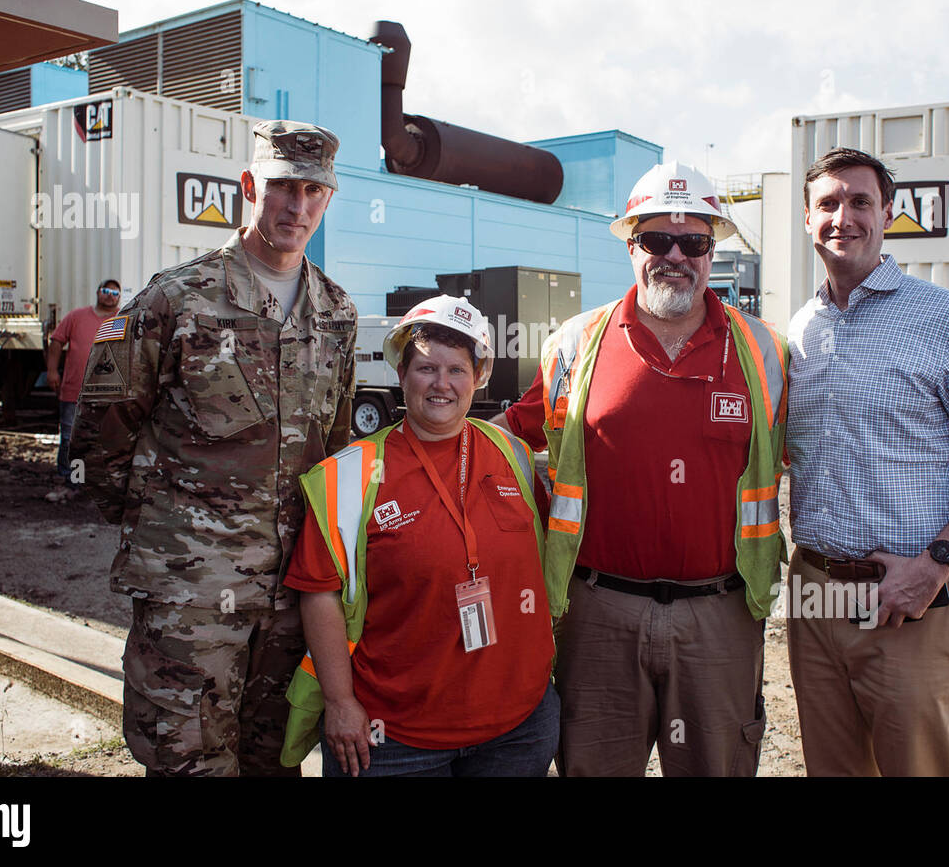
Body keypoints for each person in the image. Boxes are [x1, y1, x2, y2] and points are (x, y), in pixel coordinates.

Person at [70, 120, 357, 776]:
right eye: (284, 187)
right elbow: (99, 434)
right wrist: (164, 531)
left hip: (292, 600)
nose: (298, 207)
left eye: (314, 191)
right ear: (251, 187)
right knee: (188, 760)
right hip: (190, 596)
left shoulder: (336, 313)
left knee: (274, 759)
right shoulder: (174, 299)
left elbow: (334, 451)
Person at [493, 160, 788, 777]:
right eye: (656, 239)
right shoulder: (577, 345)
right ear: (631, 246)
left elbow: (818, 457)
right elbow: (498, 442)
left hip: (721, 617)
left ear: (712, 252)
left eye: (694, 242)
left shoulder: (763, 351)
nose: (674, 256)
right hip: (599, 614)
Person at [785, 147, 949, 777]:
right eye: (828, 204)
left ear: (889, 213)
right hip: (815, 599)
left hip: (911, 604)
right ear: (806, 219)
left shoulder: (944, 318)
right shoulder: (800, 330)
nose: (845, 216)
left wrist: (934, 567)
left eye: (861, 201)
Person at [280, 296, 558, 777]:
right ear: (401, 375)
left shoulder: (510, 452)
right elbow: (319, 594)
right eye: (426, 369)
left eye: (457, 370)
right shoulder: (350, 476)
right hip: (394, 739)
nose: (442, 384)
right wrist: (340, 702)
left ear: (479, 377)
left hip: (518, 727)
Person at [45, 280, 121, 501]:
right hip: (74, 390)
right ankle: (71, 483)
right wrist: (52, 371)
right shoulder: (76, 317)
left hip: (107, 392)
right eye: (106, 291)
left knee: (105, 439)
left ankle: (98, 486)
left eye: (115, 292)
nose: (109, 296)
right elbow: (57, 342)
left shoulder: (121, 319)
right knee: (71, 438)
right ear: (98, 292)